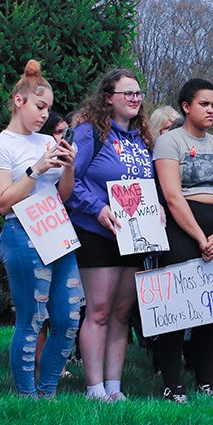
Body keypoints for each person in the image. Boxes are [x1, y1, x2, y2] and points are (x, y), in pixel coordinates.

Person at [0, 60, 81, 399]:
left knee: (69, 318)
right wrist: (35, 169)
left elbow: (63, 194)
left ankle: (48, 391)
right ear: (19, 100)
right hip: (22, 231)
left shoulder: (46, 142)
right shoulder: (0, 147)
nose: (45, 114)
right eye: (40, 106)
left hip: (56, 229)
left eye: (48, 108)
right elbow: (2, 202)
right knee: (32, 317)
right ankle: (26, 397)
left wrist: (68, 167)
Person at [68, 69, 155, 402]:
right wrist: (98, 208)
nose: (135, 99)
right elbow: (69, 182)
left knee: (121, 312)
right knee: (100, 310)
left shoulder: (142, 137)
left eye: (138, 94)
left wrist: (158, 208)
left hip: (135, 234)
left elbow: (149, 183)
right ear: (108, 98)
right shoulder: (89, 133)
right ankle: (94, 389)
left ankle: (114, 388)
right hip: (97, 231)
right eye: (127, 93)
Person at [153, 78, 213, 401]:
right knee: (176, 310)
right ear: (186, 107)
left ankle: (206, 381)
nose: (211, 110)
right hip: (182, 230)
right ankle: (173, 384)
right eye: (204, 104)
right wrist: (201, 237)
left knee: (210, 310)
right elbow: (173, 196)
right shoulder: (169, 142)